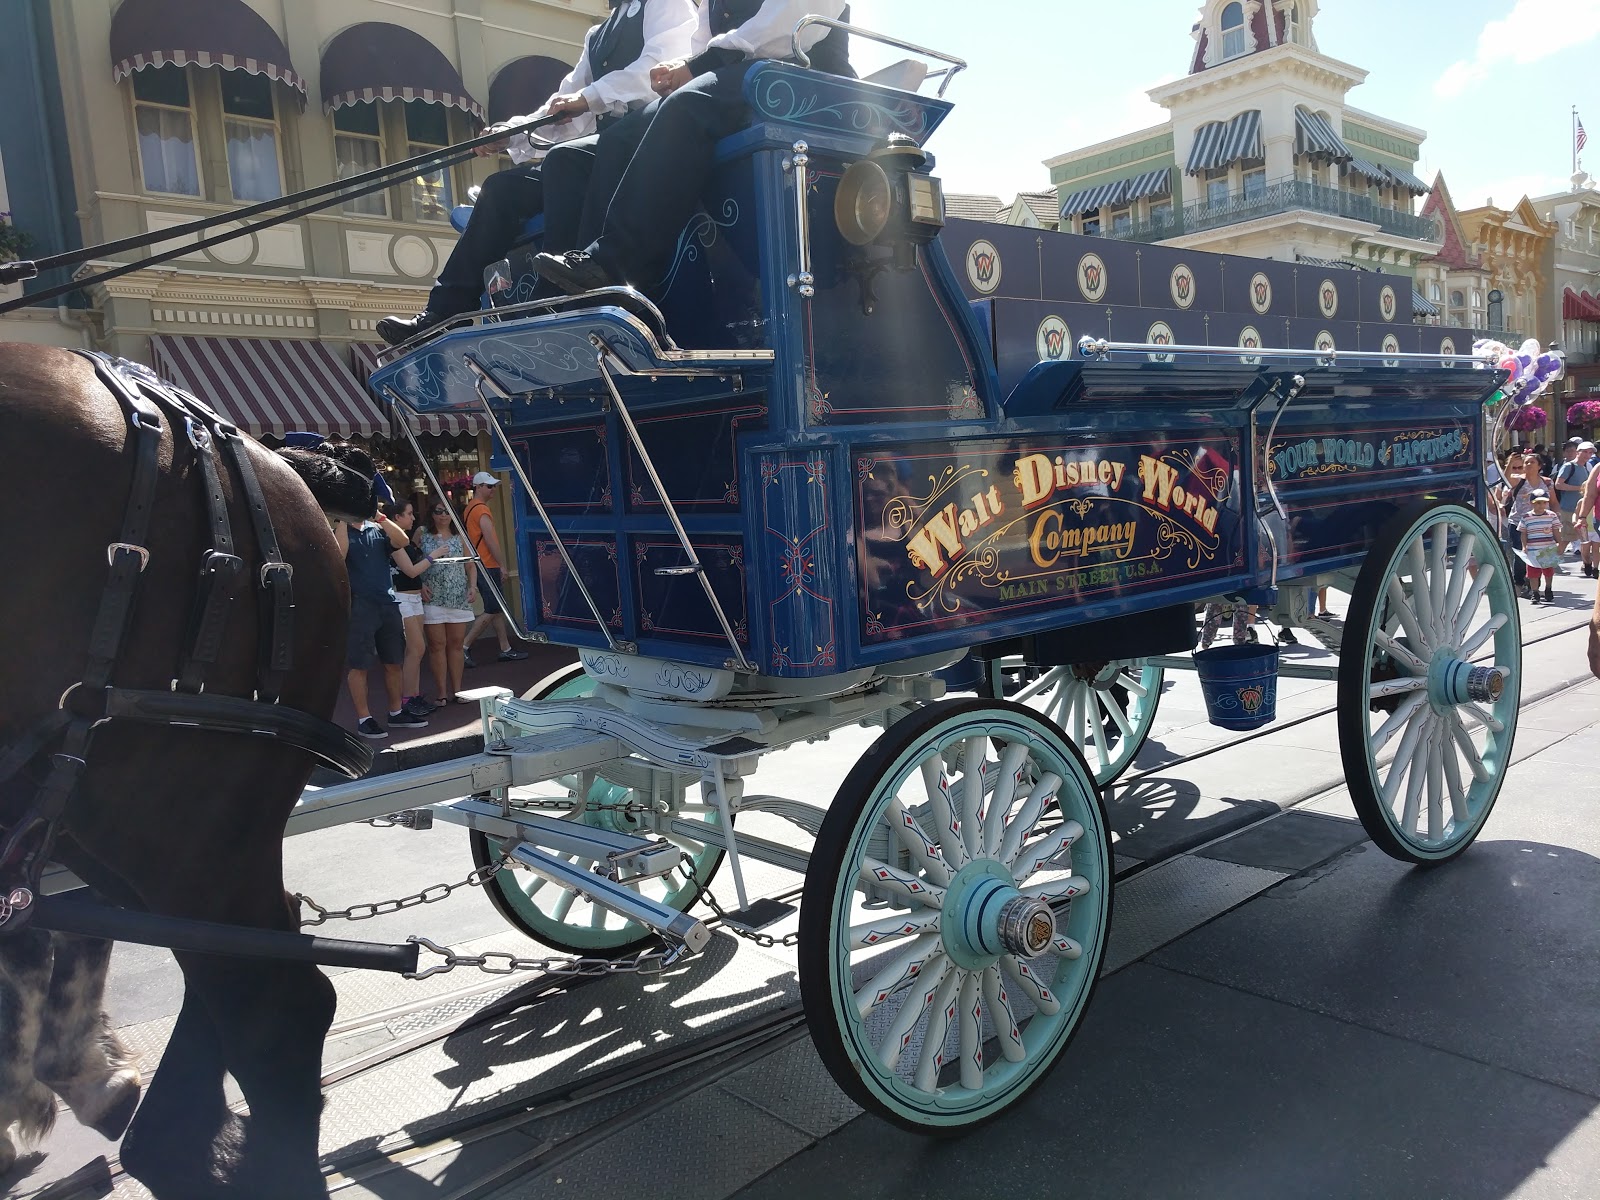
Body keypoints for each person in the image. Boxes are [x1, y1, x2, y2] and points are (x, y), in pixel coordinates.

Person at [375, 0, 699, 346]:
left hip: (647, 142)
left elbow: (659, 70)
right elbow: (563, 104)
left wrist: (589, 98)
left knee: (564, 160)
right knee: (501, 189)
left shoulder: (668, 3)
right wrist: (511, 133)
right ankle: (443, 312)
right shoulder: (599, 34)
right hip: (600, 147)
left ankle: (558, 297)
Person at [534, 0, 852, 297]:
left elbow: (788, 23)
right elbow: (705, 43)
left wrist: (701, 65)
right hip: (748, 77)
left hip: (805, 79)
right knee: (619, 138)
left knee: (685, 107)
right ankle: (587, 279)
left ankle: (617, 268)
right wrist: (685, 65)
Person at [336, 507, 431, 739]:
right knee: (359, 666)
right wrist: (342, 515)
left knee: (394, 662)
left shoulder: (377, 530)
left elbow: (402, 540)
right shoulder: (339, 531)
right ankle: (364, 719)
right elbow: (338, 555)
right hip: (360, 607)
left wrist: (379, 516)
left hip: (387, 604)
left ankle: (396, 712)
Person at [460, 471, 529, 665]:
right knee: (492, 608)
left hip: (479, 563)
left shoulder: (470, 508)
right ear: (479, 487)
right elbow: (491, 541)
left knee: (496, 608)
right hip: (487, 564)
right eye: (489, 486)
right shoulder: (481, 510)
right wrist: (502, 565)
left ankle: (505, 648)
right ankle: (464, 646)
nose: (493, 490)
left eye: (494, 486)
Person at [419, 499, 479, 702]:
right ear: (432, 513)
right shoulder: (422, 534)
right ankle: (442, 693)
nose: (443, 515)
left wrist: (472, 586)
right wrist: (419, 584)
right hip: (432, 596)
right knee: (436, 644)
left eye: (447, 511)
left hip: (457, 595)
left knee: (456, 644)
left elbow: (470, 564)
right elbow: (409, 560)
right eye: (439, 511)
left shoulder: (460, 535)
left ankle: (458, 690)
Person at [385, 500, 436, 717]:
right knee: (416, 648)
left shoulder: (406, 542)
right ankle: (407, 698)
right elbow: (411, 570)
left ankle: (413, 695)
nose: (413, 518)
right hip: (402, 599)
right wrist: (434, 556)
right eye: (408, 514)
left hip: (414, 598)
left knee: (417, 649)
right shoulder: (394, 541)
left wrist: (421, 585)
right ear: (397, 518)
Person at [1516, 491, 1562, 604]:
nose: (1541, 506)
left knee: (1548, 571)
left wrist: (1560, 543)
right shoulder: (1527, 517)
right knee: (1533, 572)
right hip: (1533, 549)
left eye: (1544, 503)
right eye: (1538, 503)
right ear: (1532, 503)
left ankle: (1548, 589)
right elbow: (1523, 533)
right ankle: (1535, 592)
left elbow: (1556, 531)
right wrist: (1524, 546)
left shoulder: (1551, 515)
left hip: (1548, 548)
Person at [1552, 437, 1588, 557]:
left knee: (1585, 539)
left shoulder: (1584, 468)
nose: (1587, 455)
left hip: (1582, 511)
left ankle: (1587, 565)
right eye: (1584, 452)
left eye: (1590, 452)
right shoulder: (1569, 466)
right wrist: (1579, 488)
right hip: (1568, 509)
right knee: (1564, 540)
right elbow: (1558, 485)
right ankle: (1547, 563)